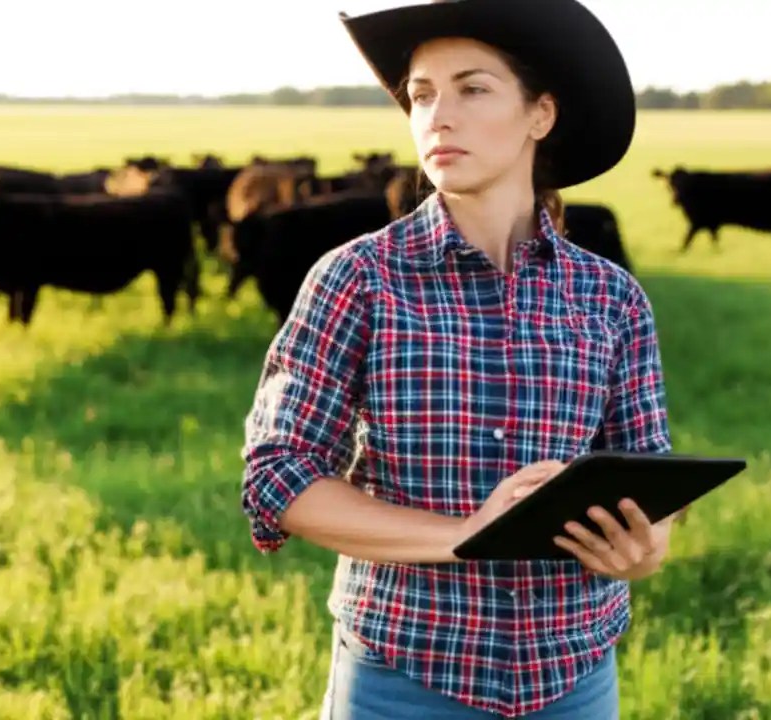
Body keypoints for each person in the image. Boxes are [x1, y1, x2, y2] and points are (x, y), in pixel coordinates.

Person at [240, 0, 675, 717]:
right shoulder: (358, 279)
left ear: (540, 114)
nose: (438, 116)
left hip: (572, 680)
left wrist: (642, 548)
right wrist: (464, 536)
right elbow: (277, 477)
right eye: (421, 94)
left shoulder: (612, 298)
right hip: (401, 680)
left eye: (472, 89)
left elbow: (649, 482)